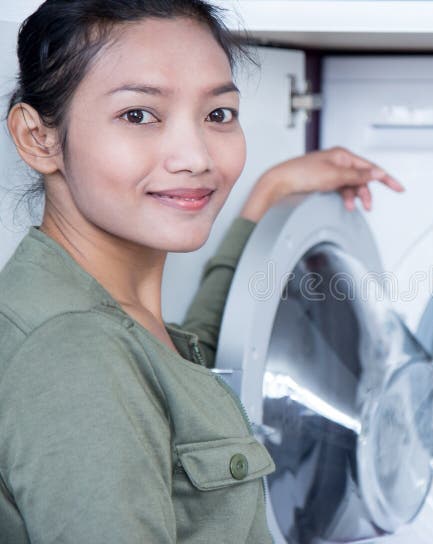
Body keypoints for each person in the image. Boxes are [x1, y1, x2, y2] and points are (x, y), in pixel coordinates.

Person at [0, 1, 402, 542]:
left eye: (218, 115)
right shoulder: (77, 354)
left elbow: (194, 376)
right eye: (139, 115)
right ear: (37, 138)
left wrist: (269, 196)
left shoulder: (105, 314)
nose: (194, 156)